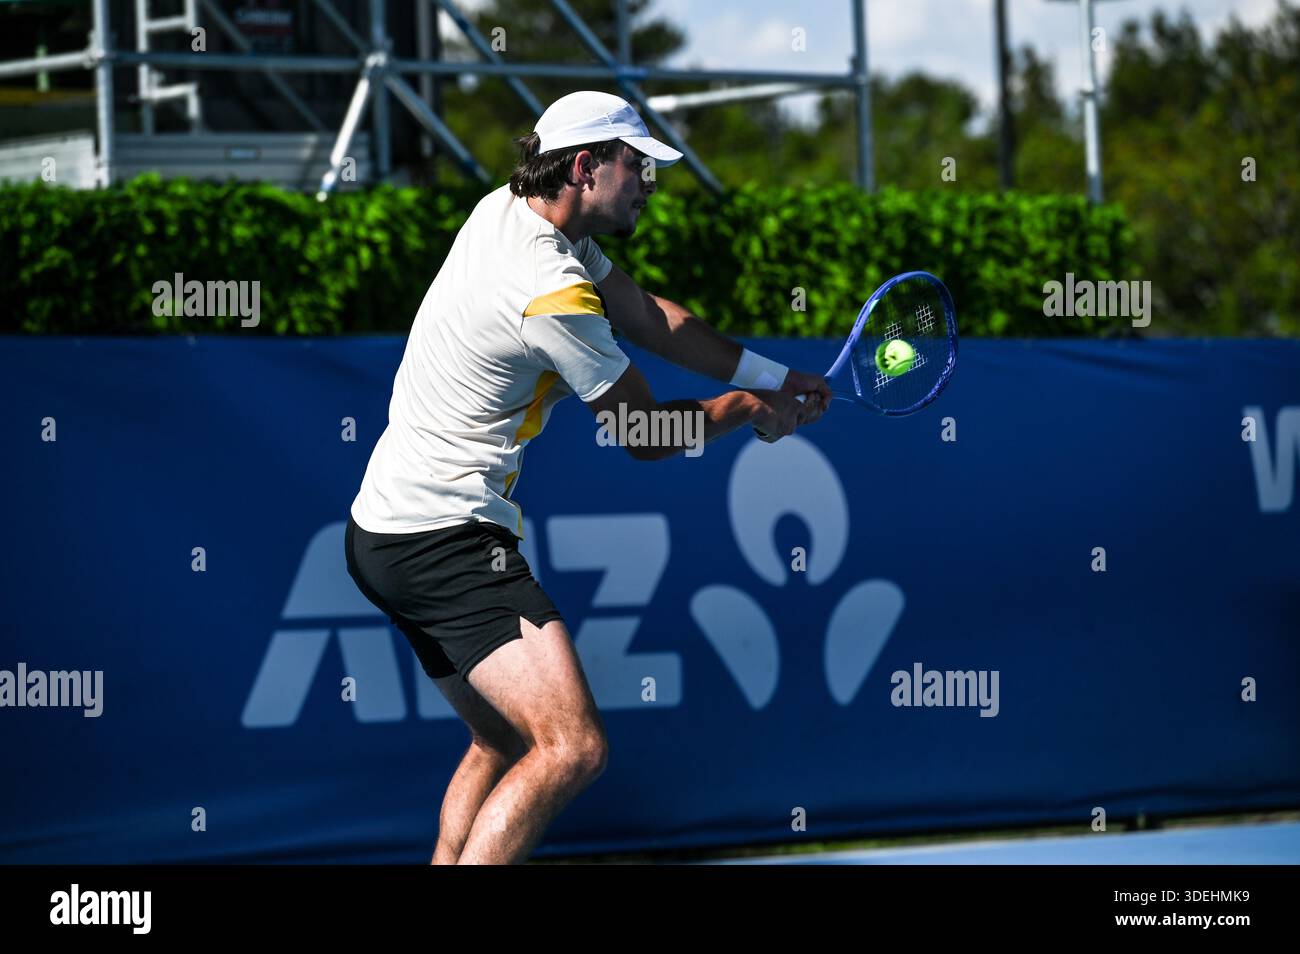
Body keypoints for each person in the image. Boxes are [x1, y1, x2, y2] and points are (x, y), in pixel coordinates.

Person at [345, 90, 830, 864]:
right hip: (443, 537)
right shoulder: (549, 290)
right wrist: (743, 408)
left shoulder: (509, 213)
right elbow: (641, 433)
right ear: (584, 166)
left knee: (502, 739)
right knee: (571, 748)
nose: (648, 182)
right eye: (637, 166)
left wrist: (775, 374)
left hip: (381, 532)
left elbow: (650, 318)